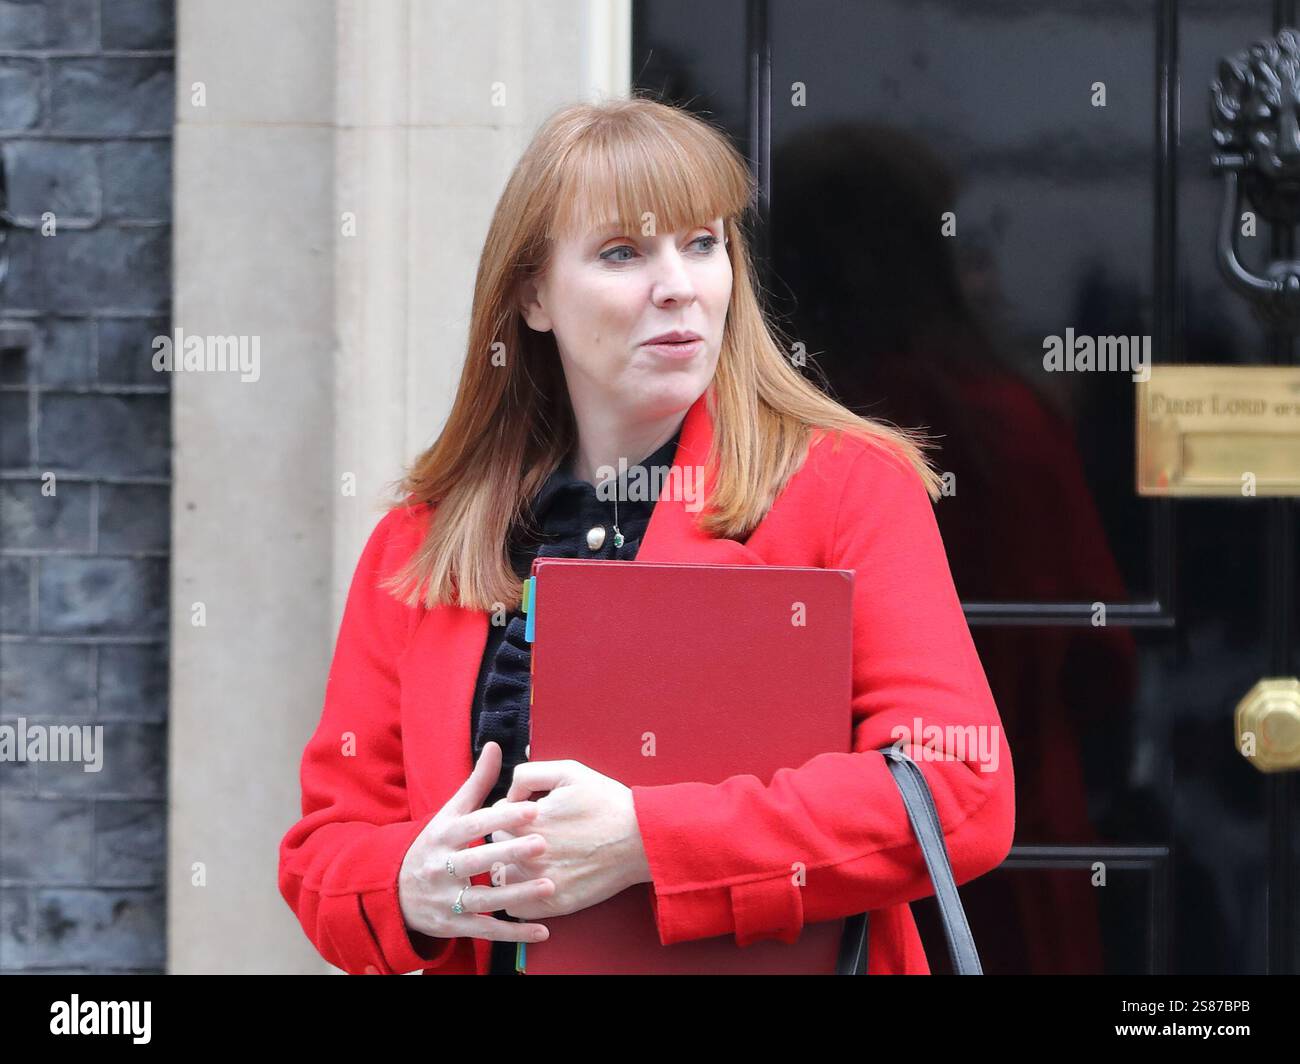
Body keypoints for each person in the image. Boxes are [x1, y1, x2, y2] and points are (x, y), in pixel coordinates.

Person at [277, 94, 1016, 976]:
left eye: (702, 243)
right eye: (623, 252)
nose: (678, 285)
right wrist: (409, 885)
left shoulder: (846, 486)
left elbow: (959, 790)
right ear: (534, 296)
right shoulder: (422, 537)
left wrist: (650, 842)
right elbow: (326, 848)